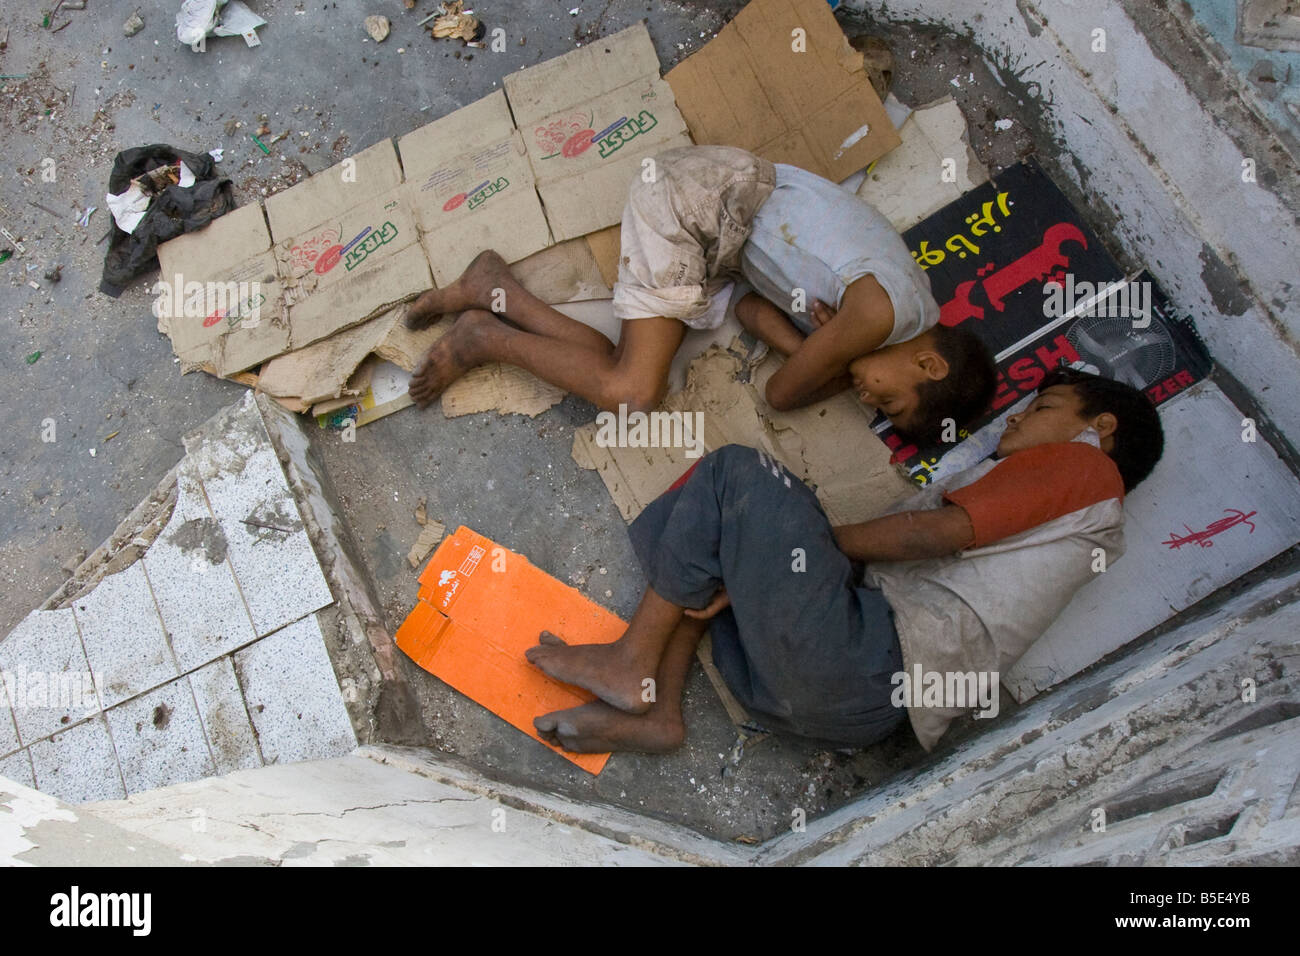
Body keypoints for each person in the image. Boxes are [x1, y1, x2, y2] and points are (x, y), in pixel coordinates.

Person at [524, 367, 1165, 755]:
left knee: (735, 473)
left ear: (1100, 427)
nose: (1017, 420)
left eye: (1043, 408)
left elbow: (930, 535)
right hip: (841, 707)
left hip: (859, 664)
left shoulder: (1088, 468)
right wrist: (769, 554)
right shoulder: (1082, 529)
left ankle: (631, 661)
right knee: (714, 520)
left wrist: (799, 542)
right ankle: (661, 709)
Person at [406, 144, 996, 443]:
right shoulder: (881, 312)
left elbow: (751, 309)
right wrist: (830, 363)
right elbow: (781, 395)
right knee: (632, 395)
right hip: (703, 201)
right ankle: (481, 338)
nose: (865, 397)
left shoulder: (874, 325)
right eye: (888, 403)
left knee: (616, 368)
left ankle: (495, 291)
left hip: (722, 248)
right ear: (929, 363)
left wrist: (812, 348)